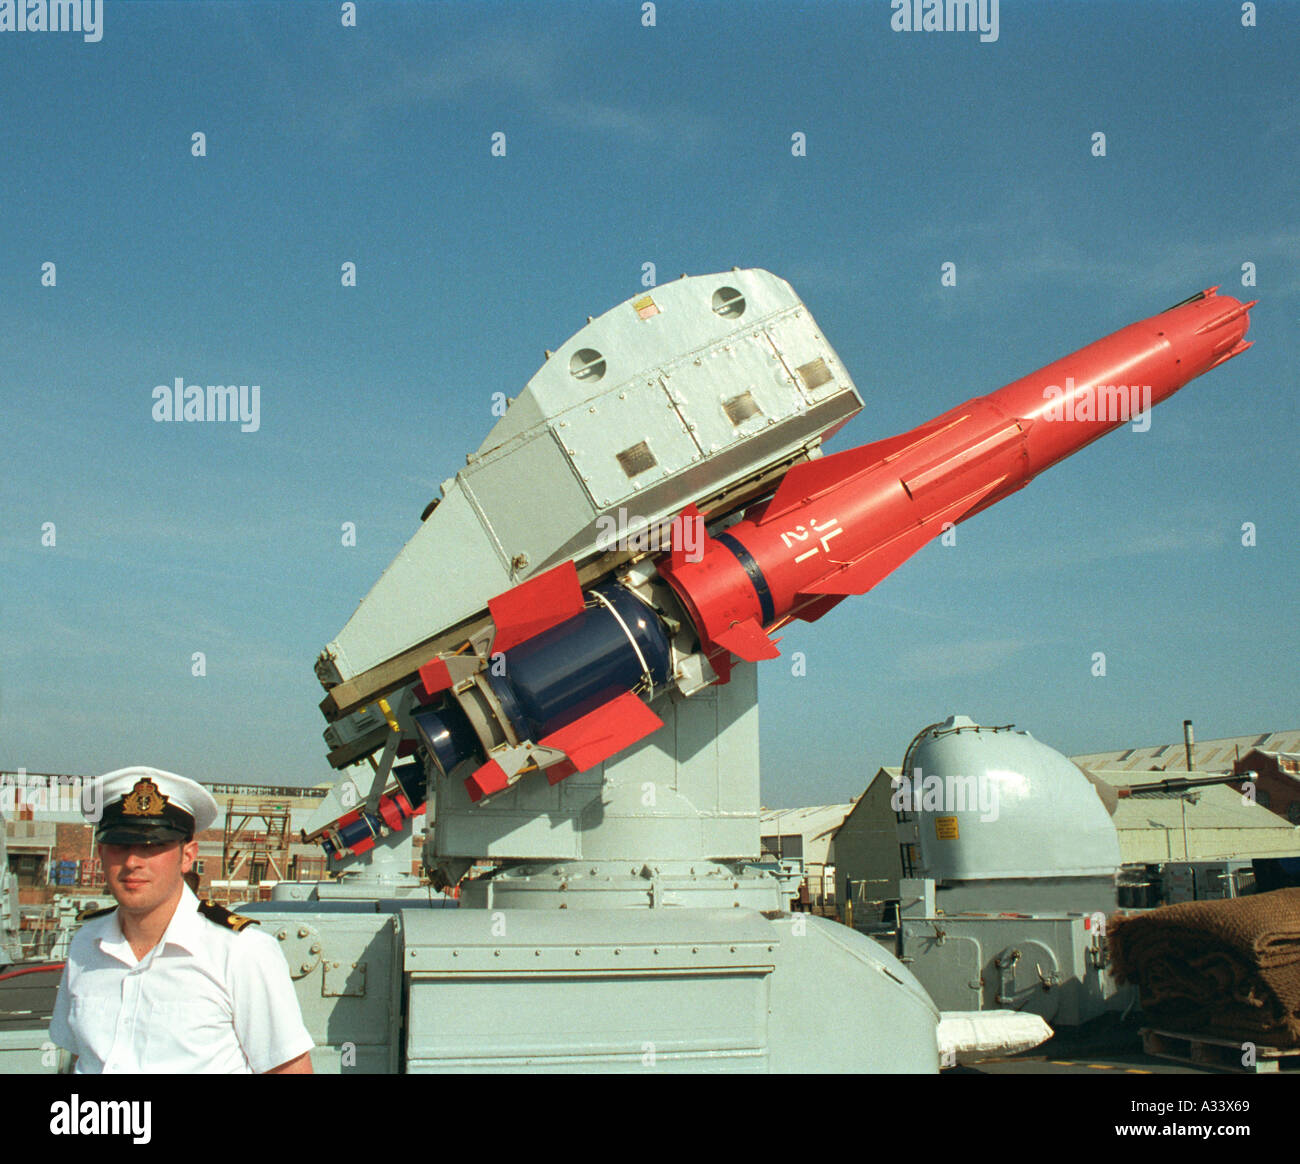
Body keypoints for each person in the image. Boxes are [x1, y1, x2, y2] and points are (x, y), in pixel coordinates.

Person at [50, 767, 314, 1074]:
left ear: (187, 856)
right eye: (120, 845)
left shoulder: (241, 952)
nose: (133, 862)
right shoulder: (86, 944)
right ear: (101, 853)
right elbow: (76, 1059)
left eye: (152, 846)